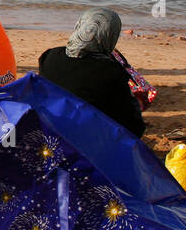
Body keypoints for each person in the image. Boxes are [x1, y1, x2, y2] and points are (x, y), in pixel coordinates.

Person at [38, 8, 145, 137]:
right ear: (111, 36)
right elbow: (133, 126)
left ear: (79, 26)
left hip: (49, 128)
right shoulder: (113, 71)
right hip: (89, 139)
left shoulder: (49, 56)